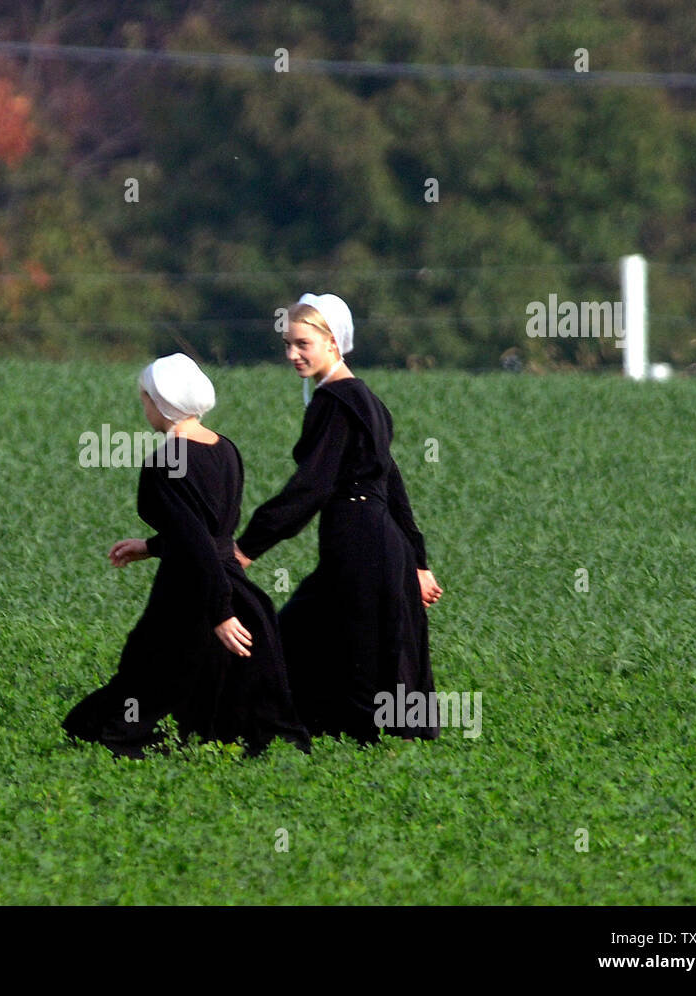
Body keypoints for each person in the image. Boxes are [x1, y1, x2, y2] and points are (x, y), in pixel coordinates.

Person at [63, 353, 311, 759]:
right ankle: (209, 744)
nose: (143, 408)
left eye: (144, 399)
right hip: (228, 577)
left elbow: (195, 543)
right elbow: (206, 531)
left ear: (159, 402)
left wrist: (220, 612)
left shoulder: (165, 460)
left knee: (144, 674)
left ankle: (128, 740)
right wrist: (149, 547)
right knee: (204, 673)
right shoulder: (225, 448)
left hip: (189, 589)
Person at [233, 294, 443, 744]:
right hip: (377, 542)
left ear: (333, 342)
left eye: (303, 344)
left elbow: (310, 488)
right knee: (336, 635)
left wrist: (247, 548)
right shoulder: (365, 399)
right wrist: (417, 560)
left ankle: (309, 734)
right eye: (288, 345)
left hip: (358, 542)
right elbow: (394, 485)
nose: (292, 355)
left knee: (330, 639)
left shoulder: (334, 403)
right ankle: (316, 733)